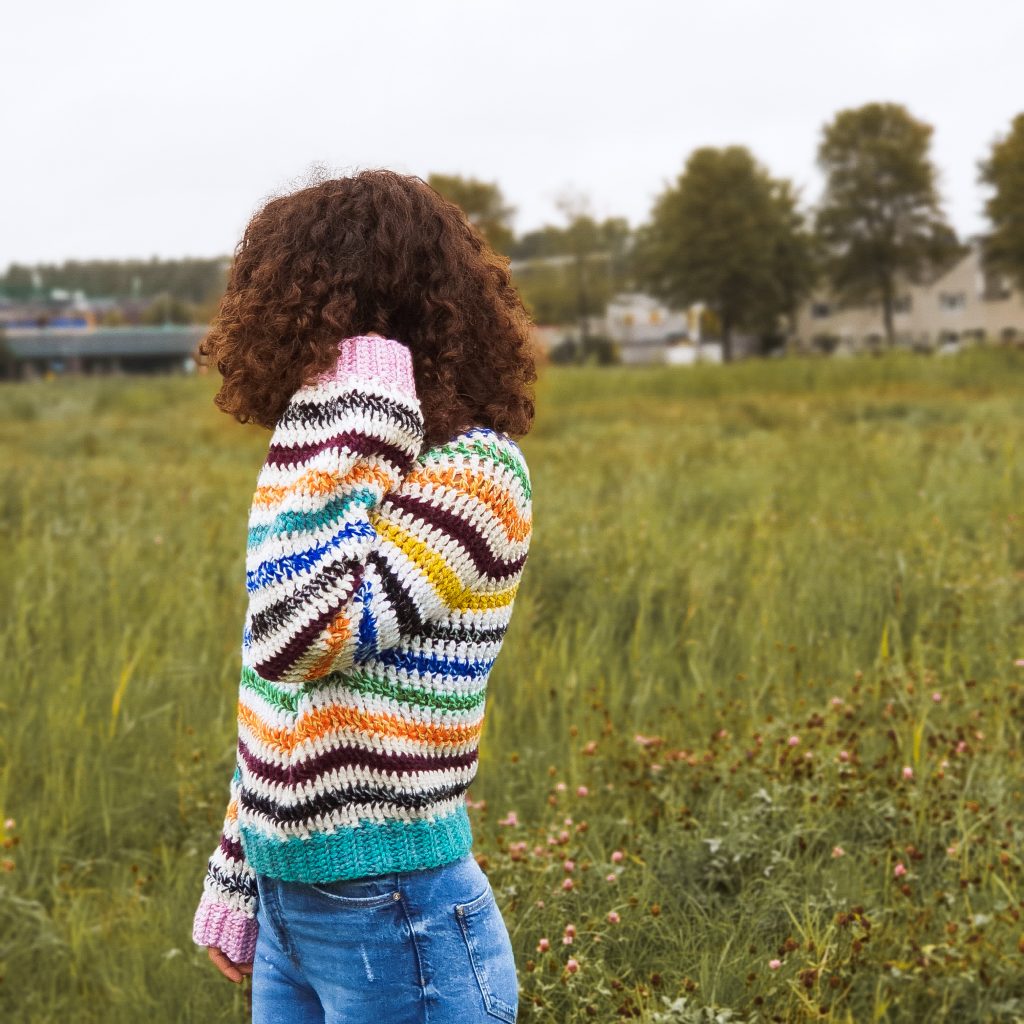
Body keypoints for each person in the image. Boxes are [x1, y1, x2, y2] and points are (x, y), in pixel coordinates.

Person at [190, 167, 537, 1023]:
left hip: (398, 914)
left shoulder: (475, 478)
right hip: (291, 909)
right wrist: (241, 869)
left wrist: (358, 405)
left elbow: (306, 635)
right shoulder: (331, 476)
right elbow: (275, 692)